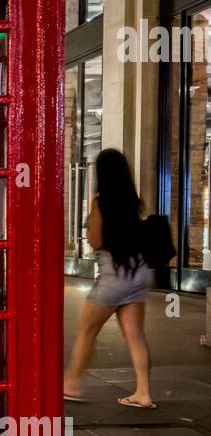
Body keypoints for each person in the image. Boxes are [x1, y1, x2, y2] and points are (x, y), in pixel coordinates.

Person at [64, 148, 155, 409]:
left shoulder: (100, 202)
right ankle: (144, 393)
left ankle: (71, 383)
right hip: (139, 273)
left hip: (113, 277)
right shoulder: (134, 201)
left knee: (87, 331)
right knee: (135, 334)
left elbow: (96, 240)